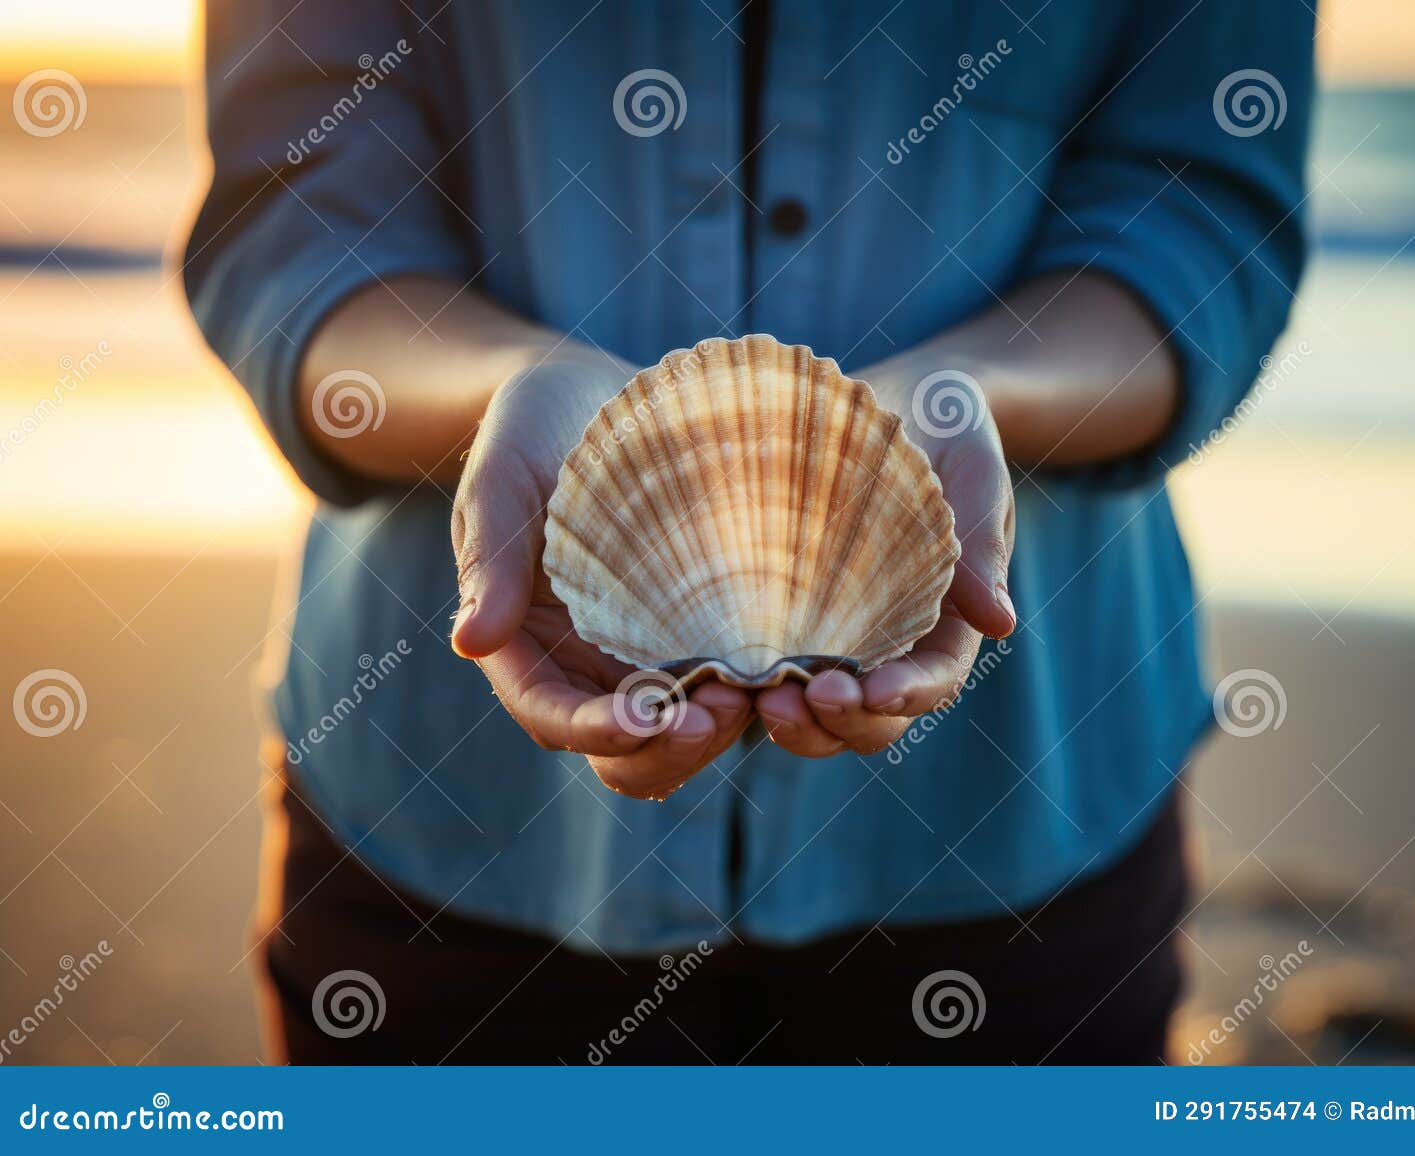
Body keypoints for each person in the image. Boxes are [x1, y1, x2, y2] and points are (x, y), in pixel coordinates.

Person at [185, 0, 1311, 1064]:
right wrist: (505, 387)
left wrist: (972, 392)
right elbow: (294, 230)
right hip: (449, 817)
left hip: (1016, 809)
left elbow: (1199, 215)